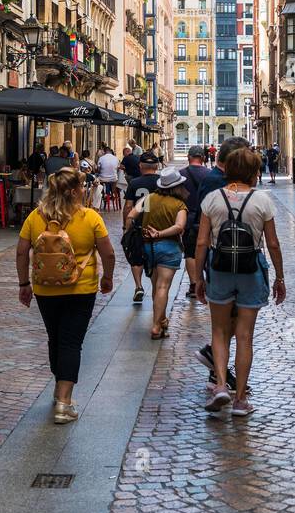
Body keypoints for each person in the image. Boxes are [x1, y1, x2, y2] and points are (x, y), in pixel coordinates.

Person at [17, 169, 115, 424]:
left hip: (45, 288)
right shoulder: (90, 217)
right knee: (71, 342)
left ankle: (60, 386)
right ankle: (63, 402)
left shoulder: (35, 217)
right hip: (80, 288)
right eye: (82, 186)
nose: (84, 190)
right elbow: (108, 253)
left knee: (55, 338)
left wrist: (24, 283)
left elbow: (21, 252)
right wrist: (107, 278)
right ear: (73, 191)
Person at [195, 145, 286, 416]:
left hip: (220, 268)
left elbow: (201, 242)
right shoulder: (263, 201)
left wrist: (198, 277)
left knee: (220, 332)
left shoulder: (212, 198)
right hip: (251, 269)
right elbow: (272, 243)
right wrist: (279, 277)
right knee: (245, 335)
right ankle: (240, 400)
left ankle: (221, 385)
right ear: (254, 173)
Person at [137, 167, 188, 339]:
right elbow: (179, 227)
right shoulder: (180, 204)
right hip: (169, 248)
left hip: (149, 247)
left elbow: (131, 215)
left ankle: (162, 319)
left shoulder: (149, 198)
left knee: (156, 286)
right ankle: (156, 326)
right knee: (163, 287)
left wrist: (137, 231)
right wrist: (161, 233)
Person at [122, 150, 162, 303]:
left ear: (140, 166)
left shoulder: (134, 183)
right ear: (156, 166)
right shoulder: (161, 182)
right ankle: (156, 287)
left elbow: (128, 206)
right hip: (158, 227)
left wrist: (126, 226)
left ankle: (138, 286)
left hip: (138, 226)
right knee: (155, 259)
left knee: (136, 258)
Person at [180, 144, 210, 297]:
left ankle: (194, 285)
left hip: (188, 219)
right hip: (208, 219)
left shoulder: (181, 175)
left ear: (188, 157)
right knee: (208, 249)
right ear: (203, 158)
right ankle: (209, 283)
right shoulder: (210, 175)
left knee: (190, 253)